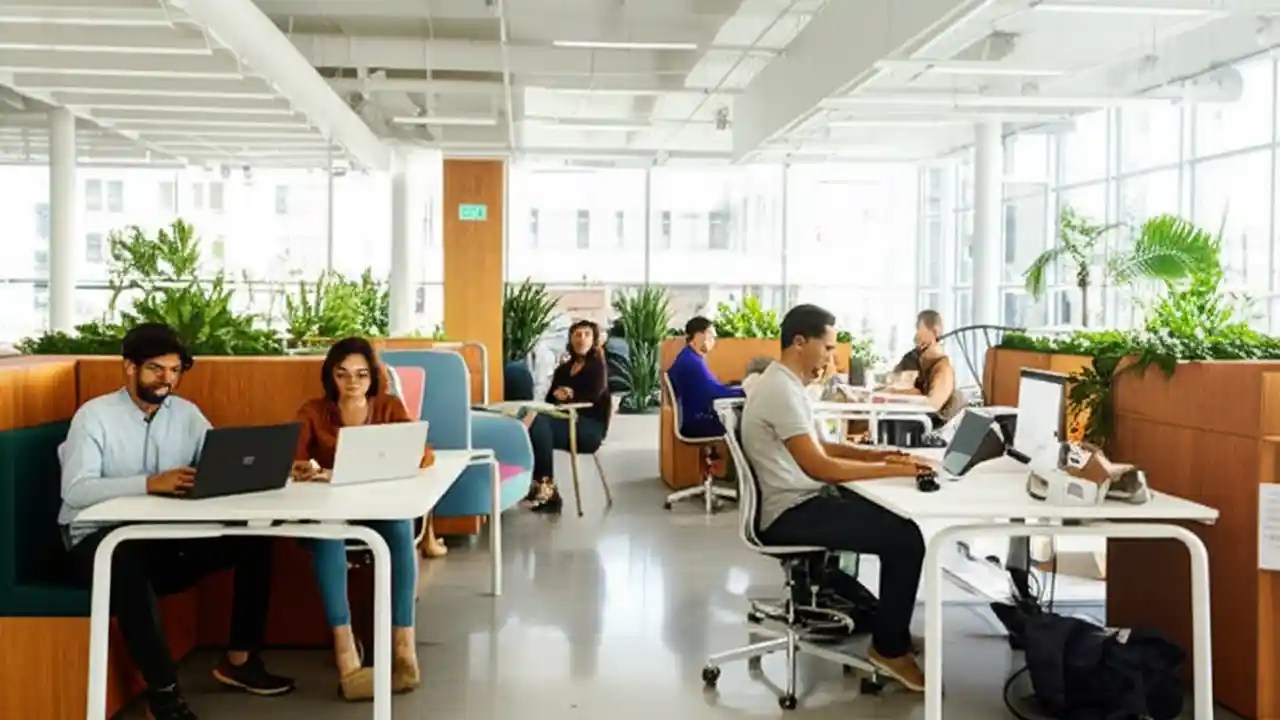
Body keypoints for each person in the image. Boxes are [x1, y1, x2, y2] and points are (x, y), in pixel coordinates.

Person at [59, 323, 294, 720]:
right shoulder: (94, 417)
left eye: (173, 370)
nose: (166, 379)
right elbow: (75, 492)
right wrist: (149, 484)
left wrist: (288, 472)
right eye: (155, 369)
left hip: (161, 539)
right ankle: (164, 694)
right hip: (96, 544)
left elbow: (220, 464)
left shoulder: (186, 415)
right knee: (127, 560)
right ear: (129, 367)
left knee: (255, 542)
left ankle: (239, 660)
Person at [741, 304, 932, 691]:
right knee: (906, 538)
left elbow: (822, 447)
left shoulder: (786, 384)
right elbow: (821, 467)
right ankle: (889, 649)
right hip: (790, 513)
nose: (832, 357)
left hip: (801, 499)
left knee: (892, 520)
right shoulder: (780, 389)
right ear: (800, 342)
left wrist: (878, 455)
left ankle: (888, 629)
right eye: (827, 348)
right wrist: (896, 469)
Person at [291, 337, 427, 701]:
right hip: (328, 511)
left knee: (399, 528)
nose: (353, 382)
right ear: (331, 376)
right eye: (343, 374)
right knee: (326, 534)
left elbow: (424, 455)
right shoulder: (313, 411)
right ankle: (345, 651)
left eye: (362, 374)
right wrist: (303, 469)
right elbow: (291, 461)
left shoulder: (389, 407)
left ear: (373, 377)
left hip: (376, 511)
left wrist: (401, 460)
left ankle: (403, 647)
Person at [524, 319, 611, 513]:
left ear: (594, 339)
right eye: (577, 335)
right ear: (571, 339)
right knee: (536, 426)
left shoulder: (598, 367)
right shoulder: (563, 368)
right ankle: (544, 488)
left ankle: (545, 490)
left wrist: (570, 396)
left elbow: (594, 395)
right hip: (567, 422)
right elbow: (549, 398)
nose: (582, 339)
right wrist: (557, 394)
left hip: (589, 428)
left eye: (587, 335)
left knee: (541, 426)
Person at [667, 316, 745, 438]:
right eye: (711, 336)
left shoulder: (689, 357)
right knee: (745, 423)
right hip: (700, 422)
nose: (713, 341)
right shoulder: (691, 362)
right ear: (698, 336)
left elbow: (709, 387)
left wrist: (735, 389)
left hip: (697, 418)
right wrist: (745, 391)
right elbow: (713, 392)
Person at [885, 310, 965, 426]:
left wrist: (909, 394)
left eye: (919, 329)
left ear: (935, 331)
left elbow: (933, 404)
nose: (915, 336)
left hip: (924, 426)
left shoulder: (942, 367)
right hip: (902, 417)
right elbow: (893, 382)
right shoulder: (911, 359)